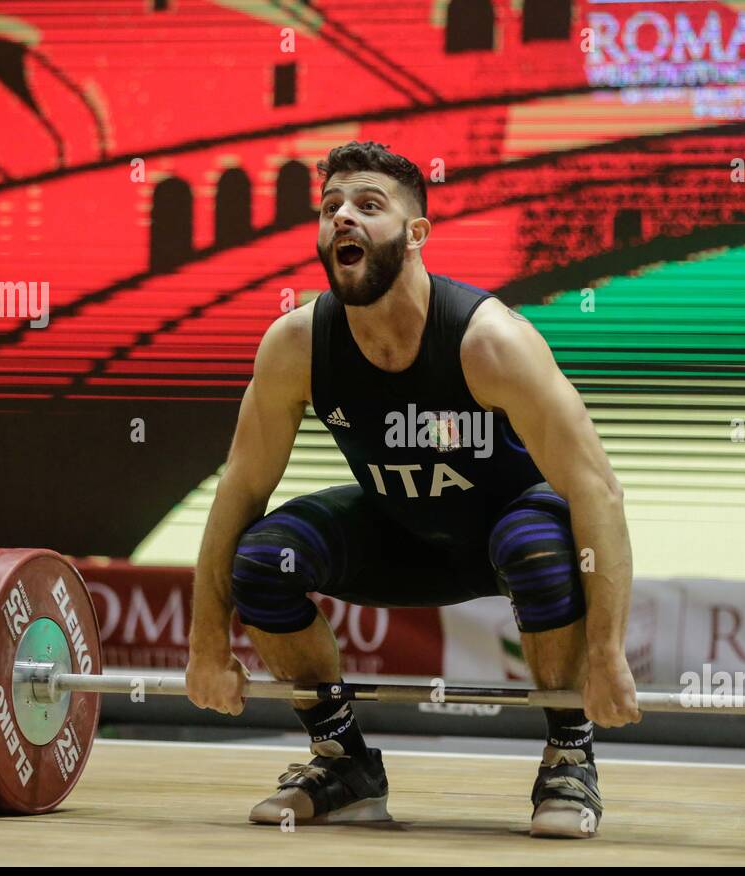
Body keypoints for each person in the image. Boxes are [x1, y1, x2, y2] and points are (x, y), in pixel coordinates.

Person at [185, 140, 638, 837]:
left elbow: (598, 491)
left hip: (505, 530)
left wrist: (607, 655)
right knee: (263, 559)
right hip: (399, 530)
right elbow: (240, 491)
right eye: (331, 206)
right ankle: (344, 765)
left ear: (416, 234)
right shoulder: (296, 345)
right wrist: (204, 644)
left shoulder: (488, 342)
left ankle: (569, 754)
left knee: (537, 546)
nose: (344, 218)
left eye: (369, 205)